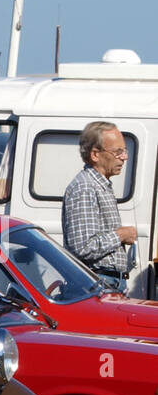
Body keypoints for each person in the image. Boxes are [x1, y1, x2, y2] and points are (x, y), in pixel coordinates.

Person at [62, 121, 137, 292]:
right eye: (118, 152)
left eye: (124, 151)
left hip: (107, 282)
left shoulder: (100, 185)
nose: (124, 157)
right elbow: (83, 247)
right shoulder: (85, 187)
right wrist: (120, 235)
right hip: (96, 282)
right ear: (95, 154)